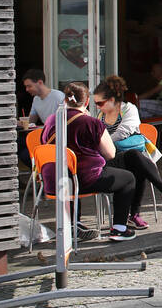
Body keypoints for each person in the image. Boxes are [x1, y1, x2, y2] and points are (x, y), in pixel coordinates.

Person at [41, 82, 139, 241]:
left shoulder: (51, 120)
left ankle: (72, 223)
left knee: (70, 172)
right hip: (83, 179)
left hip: (54, 180)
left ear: (65, 100)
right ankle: (119, 228)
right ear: (86, 102)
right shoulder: (91, 122)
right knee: (128, 179)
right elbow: (110, 153)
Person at [93, 75, 162, 229]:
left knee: (136, 161)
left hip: (127, 155)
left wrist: (105, 142)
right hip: (111, 158)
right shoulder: (101, 115)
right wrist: (105, 144)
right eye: (96, 103)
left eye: (100, 102)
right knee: (137, 160)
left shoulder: (129, 109)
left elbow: (124, 132)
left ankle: (135, 213)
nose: (97, 106)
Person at [19, 69, 64, 165]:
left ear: (40, 82)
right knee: (18, 143)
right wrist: (18, 122)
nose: (27, 90)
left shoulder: (58, 96)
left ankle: (41, 173)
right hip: (45, 135)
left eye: (29, 86)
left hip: (56, 138)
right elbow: (31, 121)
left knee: (26, 154)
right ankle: (40, 174)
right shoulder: (36, 99)